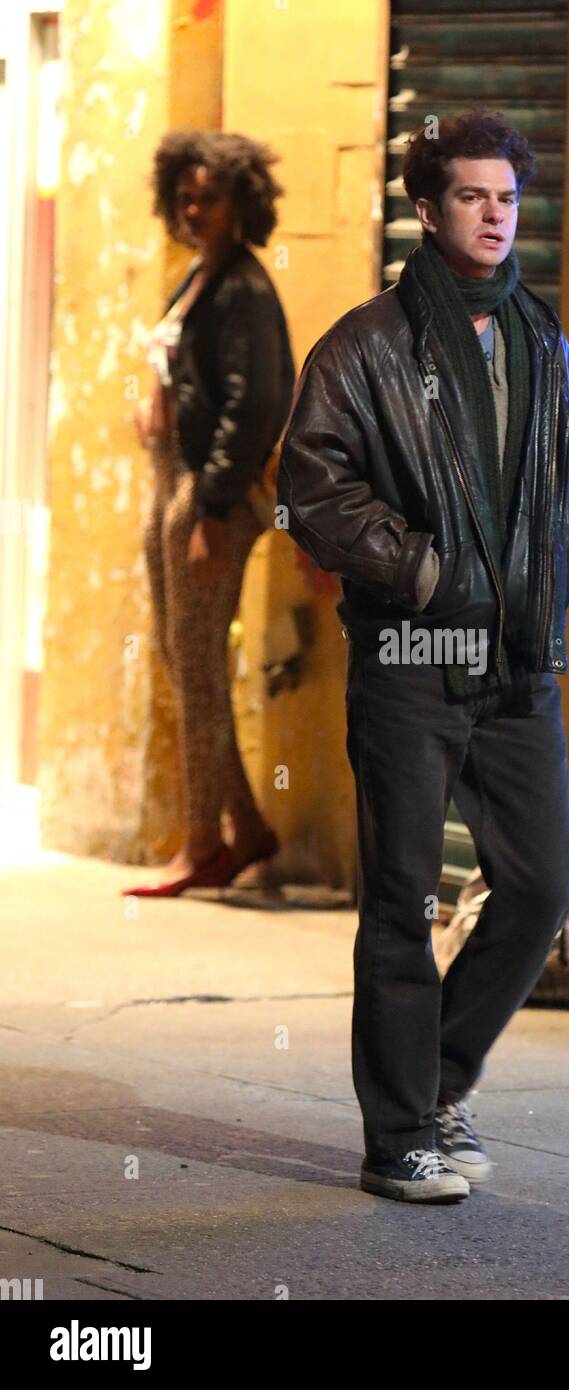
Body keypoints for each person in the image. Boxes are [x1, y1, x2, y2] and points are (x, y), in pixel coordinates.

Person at [279, 110, 569, 1202]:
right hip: (412, 657)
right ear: (426, 211)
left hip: (520, 662)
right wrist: (421, 572)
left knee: (537, 888)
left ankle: (438, 1083)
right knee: (401, 895)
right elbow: (310, 485)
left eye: (505, 198)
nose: (492, 215)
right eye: (469, 197)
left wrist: (563, 558)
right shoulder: (367, 345)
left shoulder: (545, 345)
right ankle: (397, 1140)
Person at [123, 130, 295, 898]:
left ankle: (202, 844)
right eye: (185, 197)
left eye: (210, 198)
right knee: (178, 652)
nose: (195, 210)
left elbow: (257, 401)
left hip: (209, 493)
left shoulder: (245, 291)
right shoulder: (201, 276)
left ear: (241, 203)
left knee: (195, 663)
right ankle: (247, 829)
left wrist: (213, 510)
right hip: (176, 481)